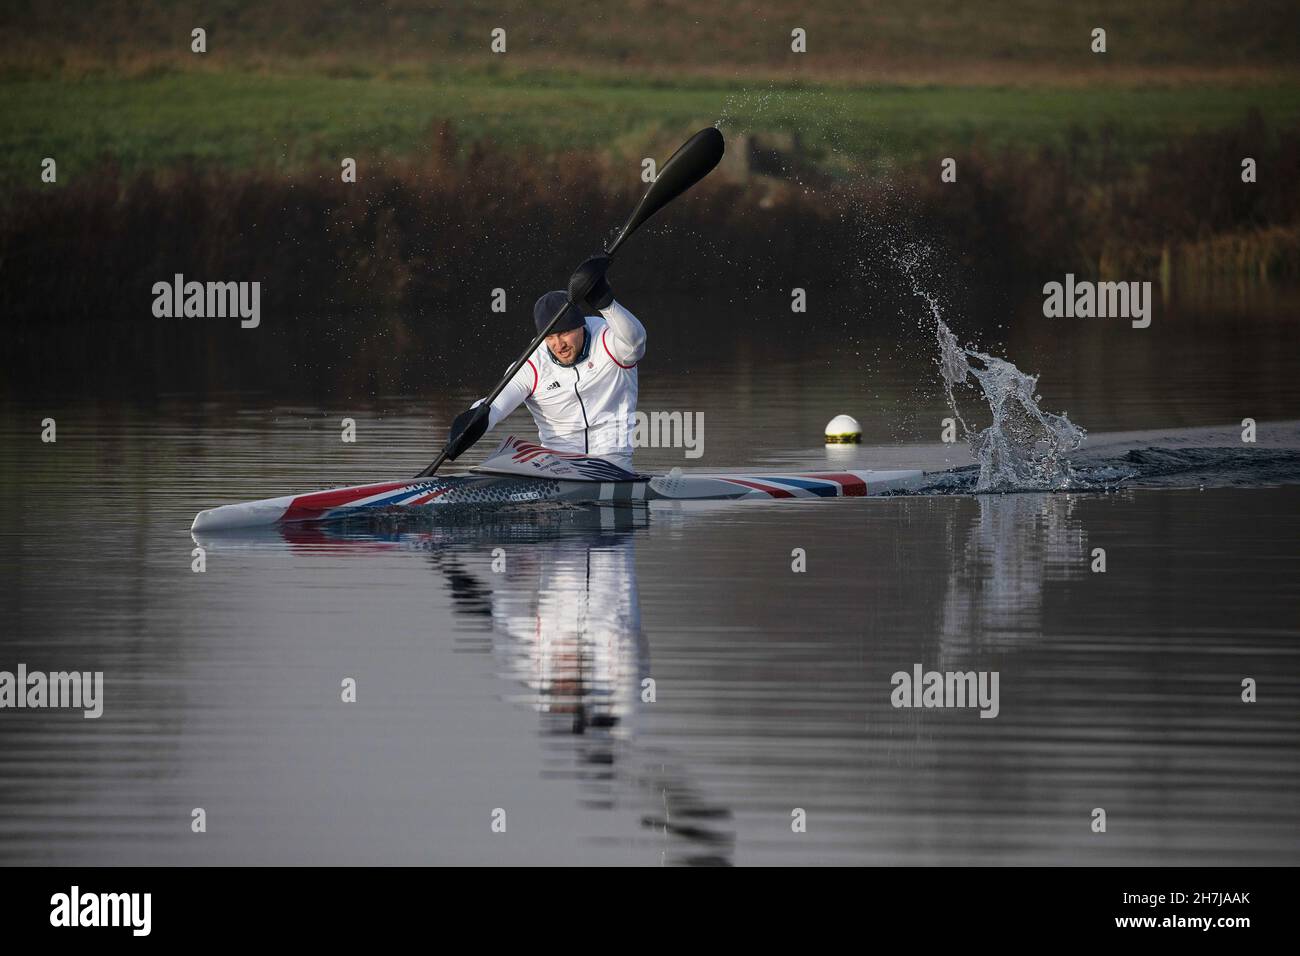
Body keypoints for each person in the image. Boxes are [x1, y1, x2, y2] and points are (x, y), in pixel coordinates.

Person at [447, 256, 646, 470]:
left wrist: (606, 304)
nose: (558, 345)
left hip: (612, 465)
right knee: (510, 453)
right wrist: (471, 422)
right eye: (550, 337)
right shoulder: (532, 363)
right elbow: (494, 405)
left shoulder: (609, 341)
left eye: (565, 333)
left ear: (581, 326)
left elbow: (636, 343)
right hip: (557, 467)